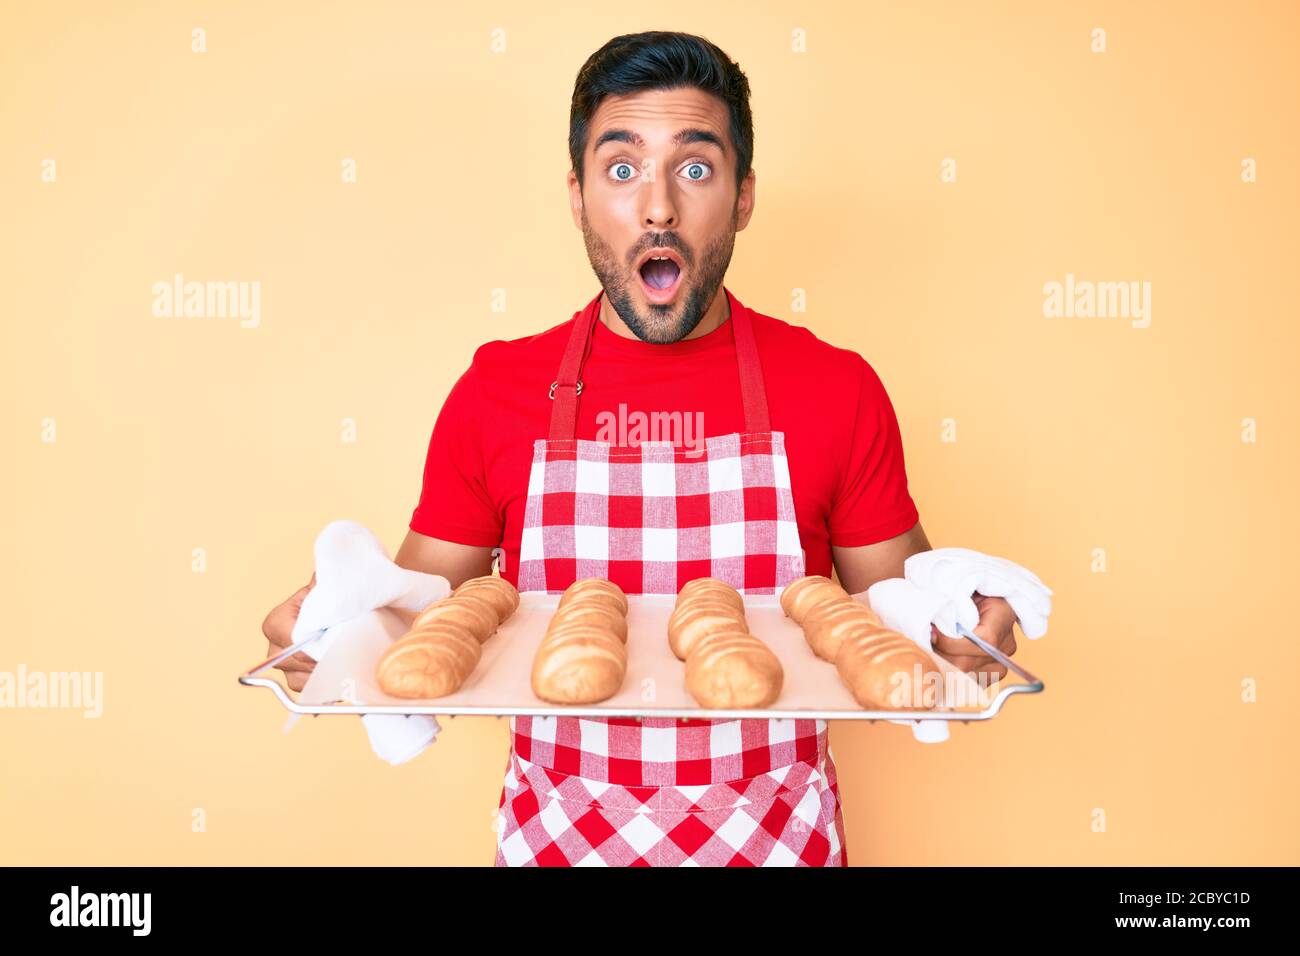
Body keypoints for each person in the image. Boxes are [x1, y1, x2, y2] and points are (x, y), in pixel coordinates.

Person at [262, 30, 1020, 866]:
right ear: (578, 196)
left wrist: (963, 638)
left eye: (695, 167)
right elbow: (415, 636)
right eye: (621, 169)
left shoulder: (834, 388)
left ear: (743, 197)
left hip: (779, 839)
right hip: (558, 838)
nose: (658, 206)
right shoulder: (495, 392)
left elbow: (903, 635)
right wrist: (329, 637)